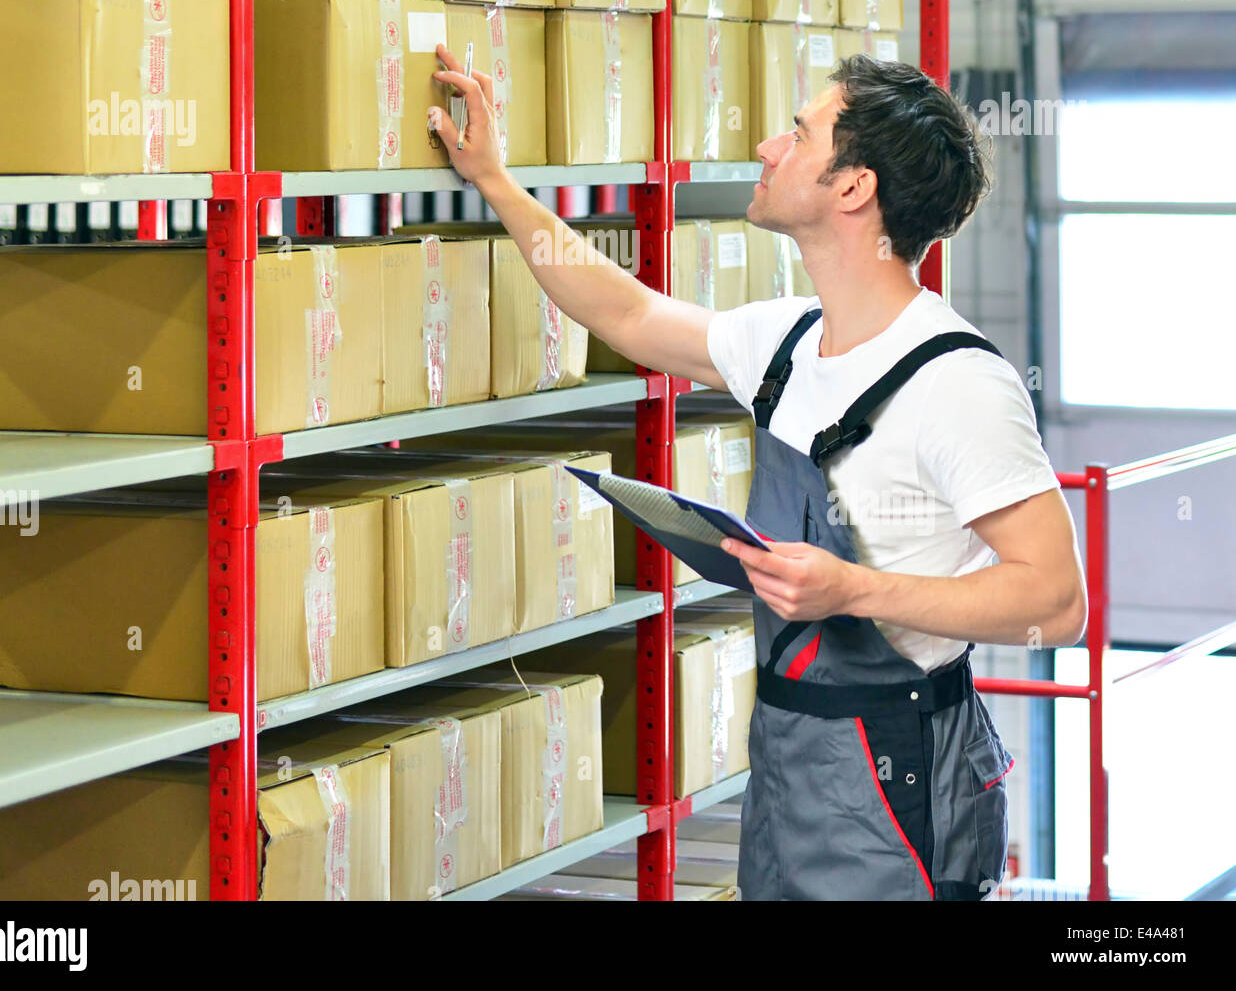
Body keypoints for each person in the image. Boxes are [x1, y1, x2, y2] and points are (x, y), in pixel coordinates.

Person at [426, 45, 1088, 902]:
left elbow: (1056, 602)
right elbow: (626, 311)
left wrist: (854, 590)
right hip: (786, 753)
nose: (770, 148)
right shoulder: (788, 343)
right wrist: (495, 179)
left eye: (800, 134)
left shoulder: (958, 381)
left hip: (902, 770)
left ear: (854, 188)